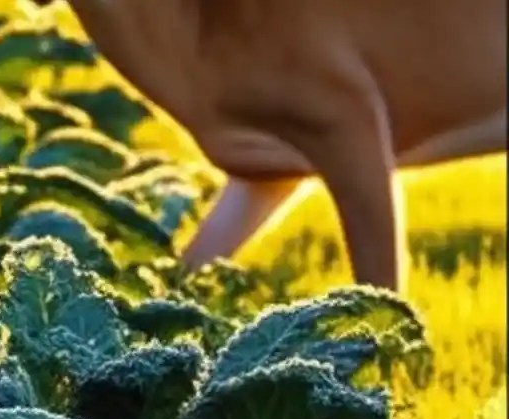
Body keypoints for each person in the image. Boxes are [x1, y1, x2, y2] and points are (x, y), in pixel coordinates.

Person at [50, 0, 507, 292]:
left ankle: (384, 355)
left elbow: (351, 135)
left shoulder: (251, 32)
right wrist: (178, 287)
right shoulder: (220, 50)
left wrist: (379, 311)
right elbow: (281, 157)